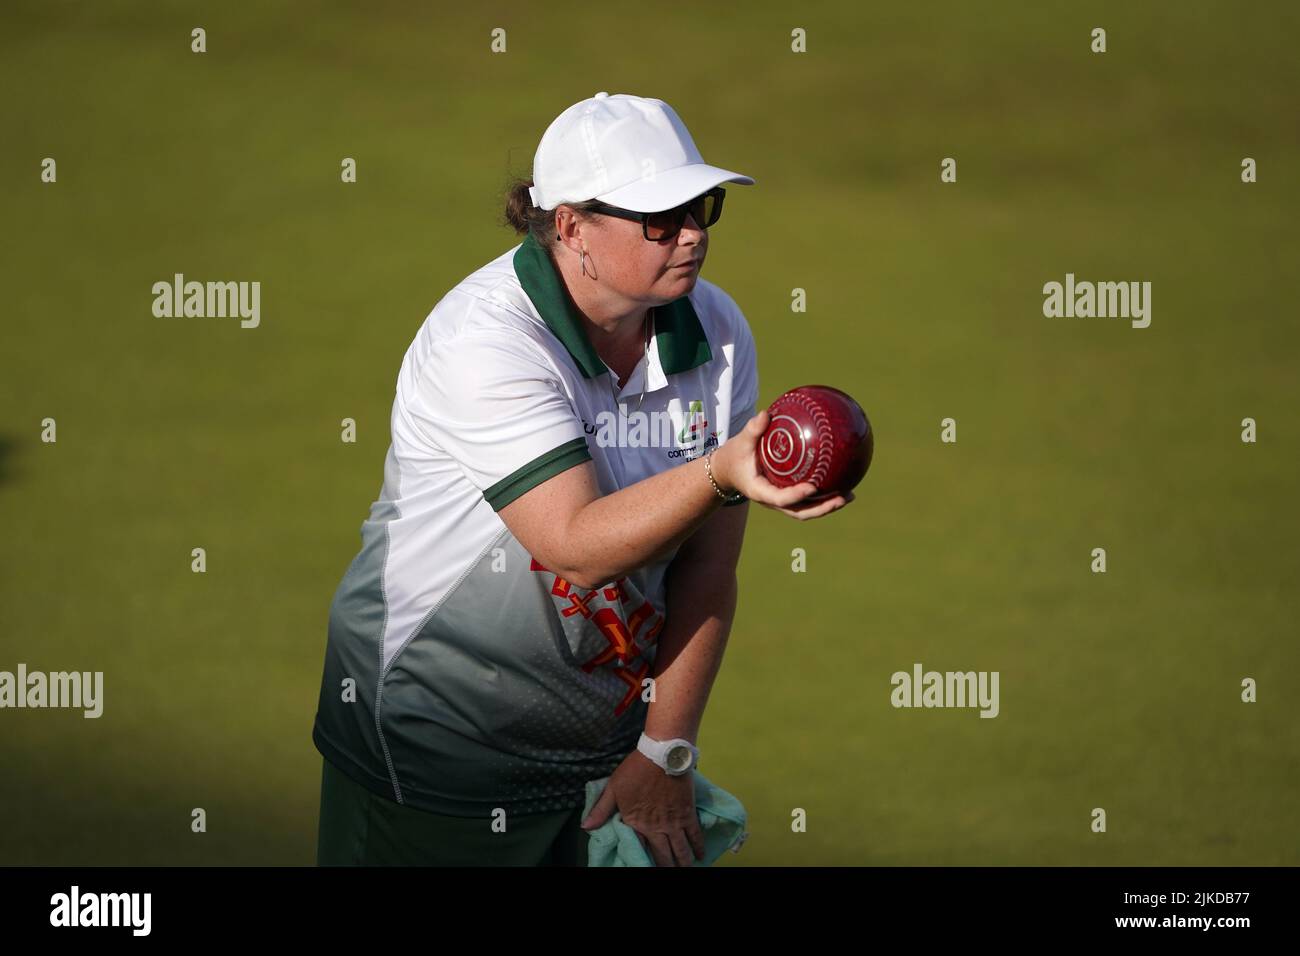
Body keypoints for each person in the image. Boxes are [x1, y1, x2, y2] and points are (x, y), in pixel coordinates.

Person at [311, 91, 854, 867]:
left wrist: (666, 748)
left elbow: (707, 566)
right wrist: (721, 470)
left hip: (602, 757)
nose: (693, 233)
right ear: (571, 227)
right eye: (660, 219)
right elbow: (575, 545)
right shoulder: (487, 343)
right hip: (437, 750)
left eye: (702, 207)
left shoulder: (719, 331)